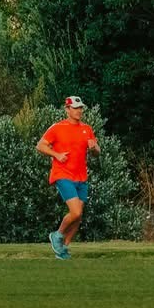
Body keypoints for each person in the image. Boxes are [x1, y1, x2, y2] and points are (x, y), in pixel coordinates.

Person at [36, 96, 99, 259]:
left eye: (80, 108)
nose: (79, 111)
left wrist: (93, 148)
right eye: (76, 108)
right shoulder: (57, 128)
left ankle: (63, 250)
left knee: (78, 218)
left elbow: (96, 150)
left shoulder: (87, 128)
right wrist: (56, 154)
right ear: (67, 109)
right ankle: (57, 235)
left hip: (81, 177)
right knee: (76, 212)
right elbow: (40, 145)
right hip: (62, 174)